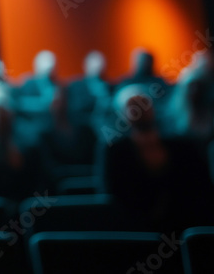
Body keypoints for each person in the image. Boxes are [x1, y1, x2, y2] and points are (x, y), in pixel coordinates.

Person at [101, 94, 214, 231]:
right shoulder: (115, 151)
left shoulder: (183, 145)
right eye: (132, 106)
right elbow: (112, 192)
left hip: (183, 222)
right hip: (135, 226)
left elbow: (200, 186)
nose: (140, 109)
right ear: (122, 113)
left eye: (144, 104)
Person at [66, 50, 111, 129]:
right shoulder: (76, 86)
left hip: (105, 130)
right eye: (94, 69)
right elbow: (74, 112)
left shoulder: (108, 87)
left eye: (100, 73)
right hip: (82, 130)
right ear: (85, 67)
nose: (97, 77)